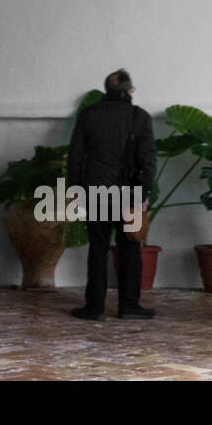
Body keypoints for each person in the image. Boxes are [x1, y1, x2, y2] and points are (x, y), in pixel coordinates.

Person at [67, 69, 157, 321]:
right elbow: (147, 160)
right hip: (129, 193)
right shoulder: (140, 117)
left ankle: (94, 308)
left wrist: (74, 189)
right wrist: (144, 194)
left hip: (95, 192)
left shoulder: (88, 115)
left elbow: (75, 157)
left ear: (107, 90)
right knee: (130, 248)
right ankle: (129, 305)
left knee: (98, 248)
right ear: (129, 91)